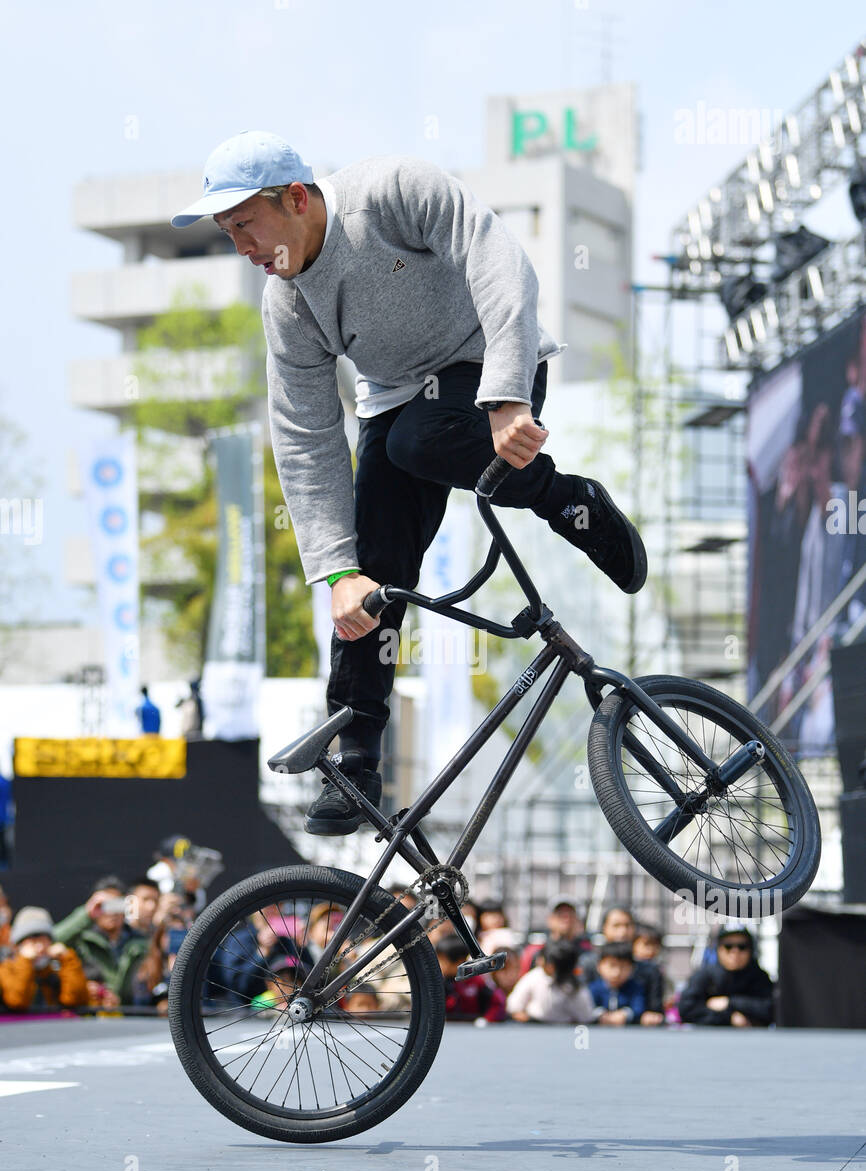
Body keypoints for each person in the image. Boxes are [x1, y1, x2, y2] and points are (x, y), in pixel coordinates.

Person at [171, 132, 647, 837]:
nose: (241, 246)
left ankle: (567, 500)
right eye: (227, 232)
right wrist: (335, 572)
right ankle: (356, 753)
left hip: (490, 362)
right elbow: (306, 440)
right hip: (398, 402)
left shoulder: (392, 192)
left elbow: (499, 262)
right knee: (372, 572)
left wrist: (509, 394)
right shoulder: (289, 306)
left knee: (418, 440)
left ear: (295, 199)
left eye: (245, 224)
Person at [53, 876, 149, 1008]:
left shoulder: (140, 942)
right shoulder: (81, 939)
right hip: (91, 1013)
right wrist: (87, 914)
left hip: (131, 1015)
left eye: (117, 904)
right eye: (105, 906)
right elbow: (52, 940)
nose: (112, 912)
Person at [678, 926, 774, 1027]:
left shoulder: (759, 977)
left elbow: (770, 1009)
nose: (735, 952)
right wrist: (729, 1018)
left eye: (742, 947)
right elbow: (687, 1009)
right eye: (728, 946)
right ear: (718, 949)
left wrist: (730, 1002)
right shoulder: (705, 975)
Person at [0, 906, 89, 1013]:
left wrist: (67, 959)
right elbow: (17, 1002)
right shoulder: (6, 968)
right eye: (32, 941)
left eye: (44, 941)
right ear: (19, 944)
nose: (40, 948)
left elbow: (75, 1001)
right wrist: (25, 961)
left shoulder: (55, 970)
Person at [506, 940, 593, 1024]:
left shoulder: (576, 988)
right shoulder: (535, 976)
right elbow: (513, 1007)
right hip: (534, 1027)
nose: (539, 962)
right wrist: (529, 1021)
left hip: (567, 1032)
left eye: (544, 960)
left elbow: (586, 1017)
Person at [435, 935, 507, 1022]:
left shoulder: (476, 980)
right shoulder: (435, 983)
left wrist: (486, 1020)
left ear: (460, 961)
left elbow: (496, 1003)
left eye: (441, 960)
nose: (438, 964)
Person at [586, 942, 659, 1026]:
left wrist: (625, 1014)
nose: (617, 972)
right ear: (599, 966)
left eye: (623, 967)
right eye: (612, 965)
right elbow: (588, 1008)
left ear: (632, 968)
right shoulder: (593, 988)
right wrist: (601, 1014)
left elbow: (638, 1008)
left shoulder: (635, 988)